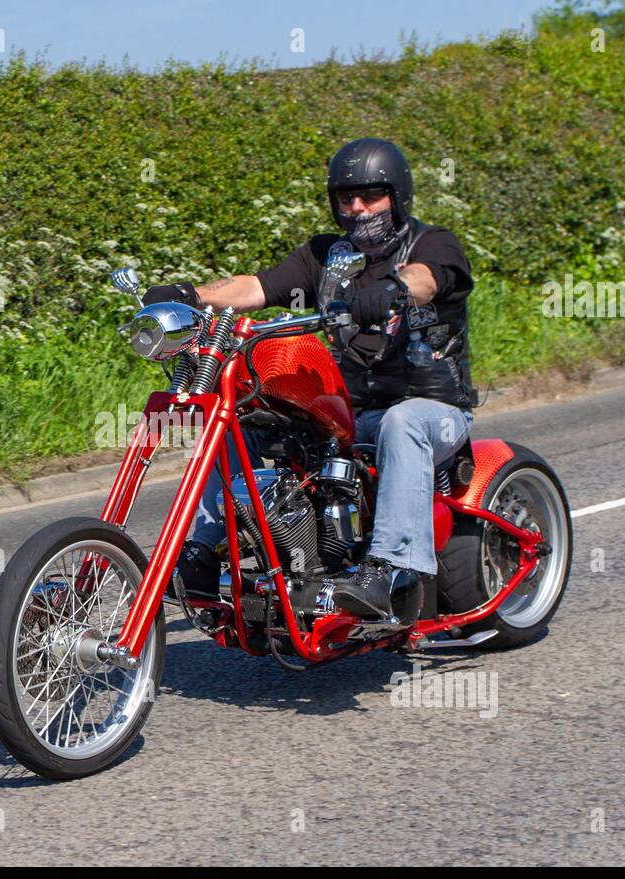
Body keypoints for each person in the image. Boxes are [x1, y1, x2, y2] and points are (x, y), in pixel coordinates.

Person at [143, 137, 476, 624]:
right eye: (347, 199)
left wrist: (396, 289)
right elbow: (255, 287)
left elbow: (429, 278)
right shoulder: (325, 255)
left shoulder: (432, 243)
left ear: (397, 196)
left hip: (432, 408)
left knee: (400, 423)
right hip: (348, 412)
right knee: (243, 420)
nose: (358, 208)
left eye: (370, 196)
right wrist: (191, 293)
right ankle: (203, 554)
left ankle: (390, 571)